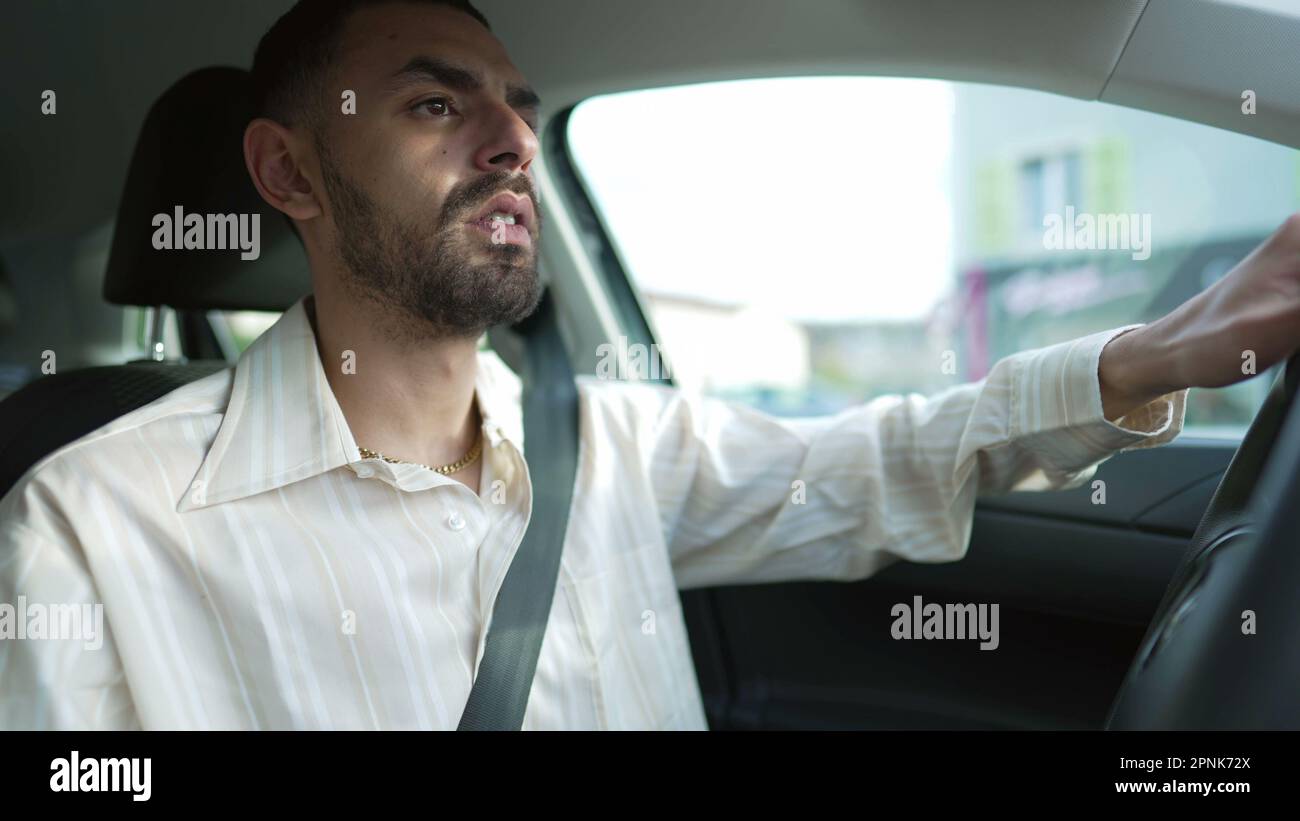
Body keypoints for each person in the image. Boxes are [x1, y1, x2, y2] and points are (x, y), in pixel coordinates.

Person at [3, 0, 1300, 730]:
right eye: (436, 104)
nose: (512, 139)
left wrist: (1162, 349)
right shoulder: (90, 525)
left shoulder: (611, 447)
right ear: (289, 172)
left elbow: (885, 459)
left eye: (519, 107)